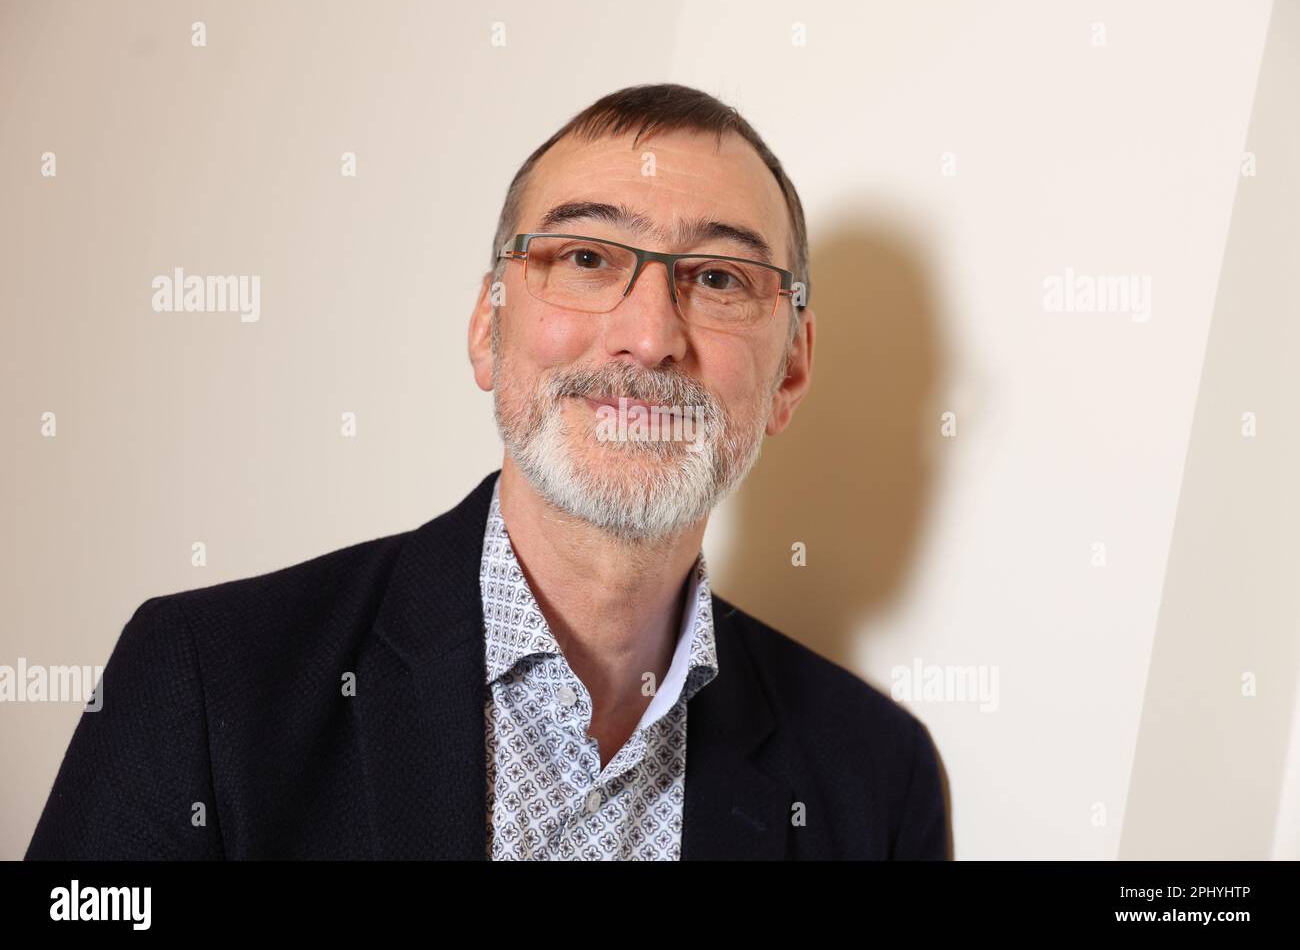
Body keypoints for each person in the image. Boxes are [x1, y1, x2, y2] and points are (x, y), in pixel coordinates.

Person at [27, 83, 948, 860]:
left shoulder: (879, 780)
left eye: (716, 279)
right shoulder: (205, 683)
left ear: (790, 369)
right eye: (586, 258)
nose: (649, 334)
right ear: (486, 326)